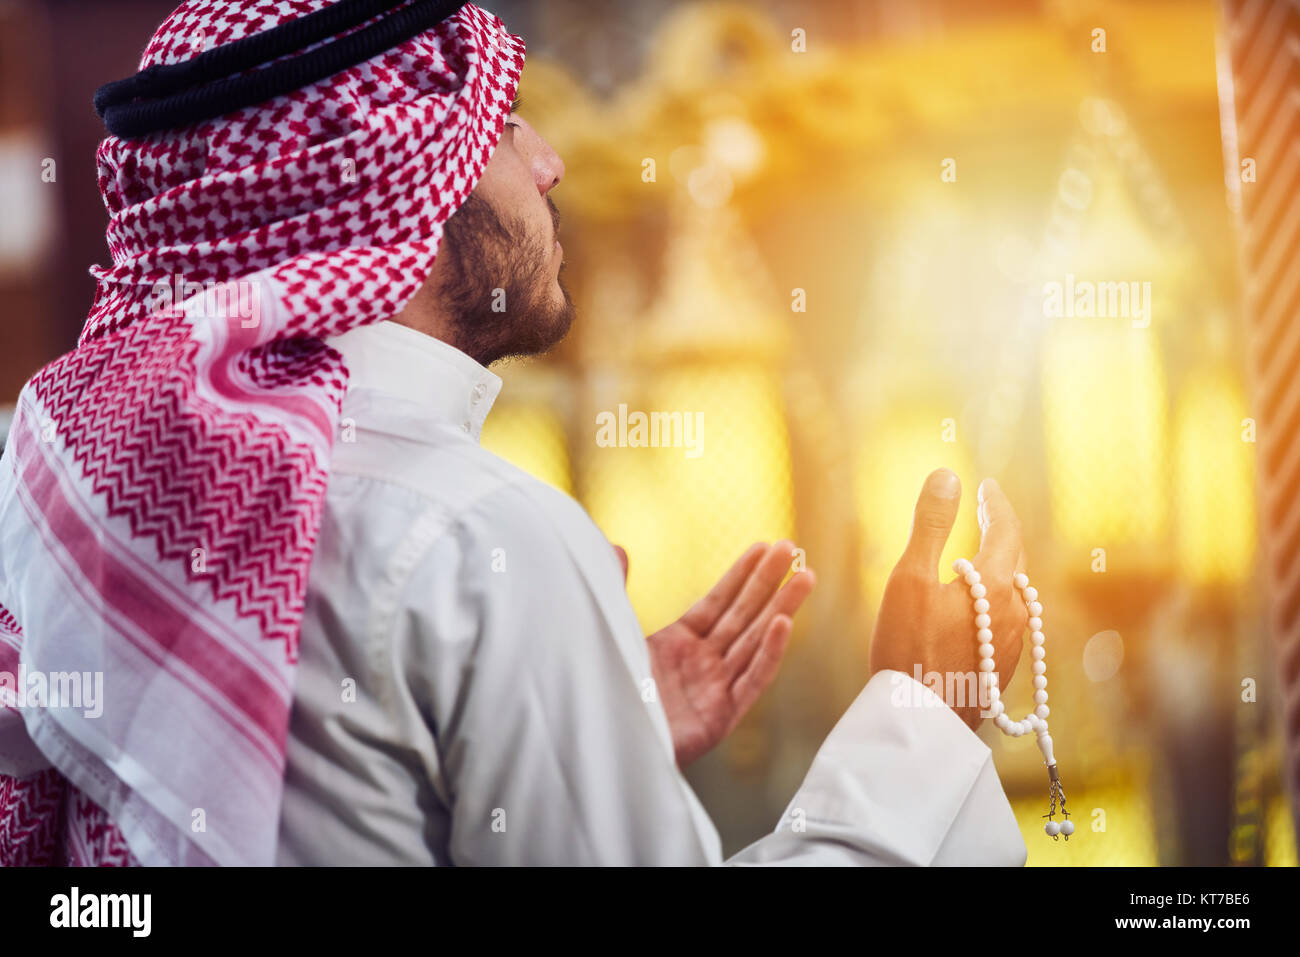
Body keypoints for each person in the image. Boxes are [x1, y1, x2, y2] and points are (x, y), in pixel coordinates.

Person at [0, 0, 1028, 867]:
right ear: (390, 175)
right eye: (503, 125)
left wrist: (580, 745)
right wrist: (924, 720)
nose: (548, 161)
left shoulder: (96, 510)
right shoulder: (476, 539)